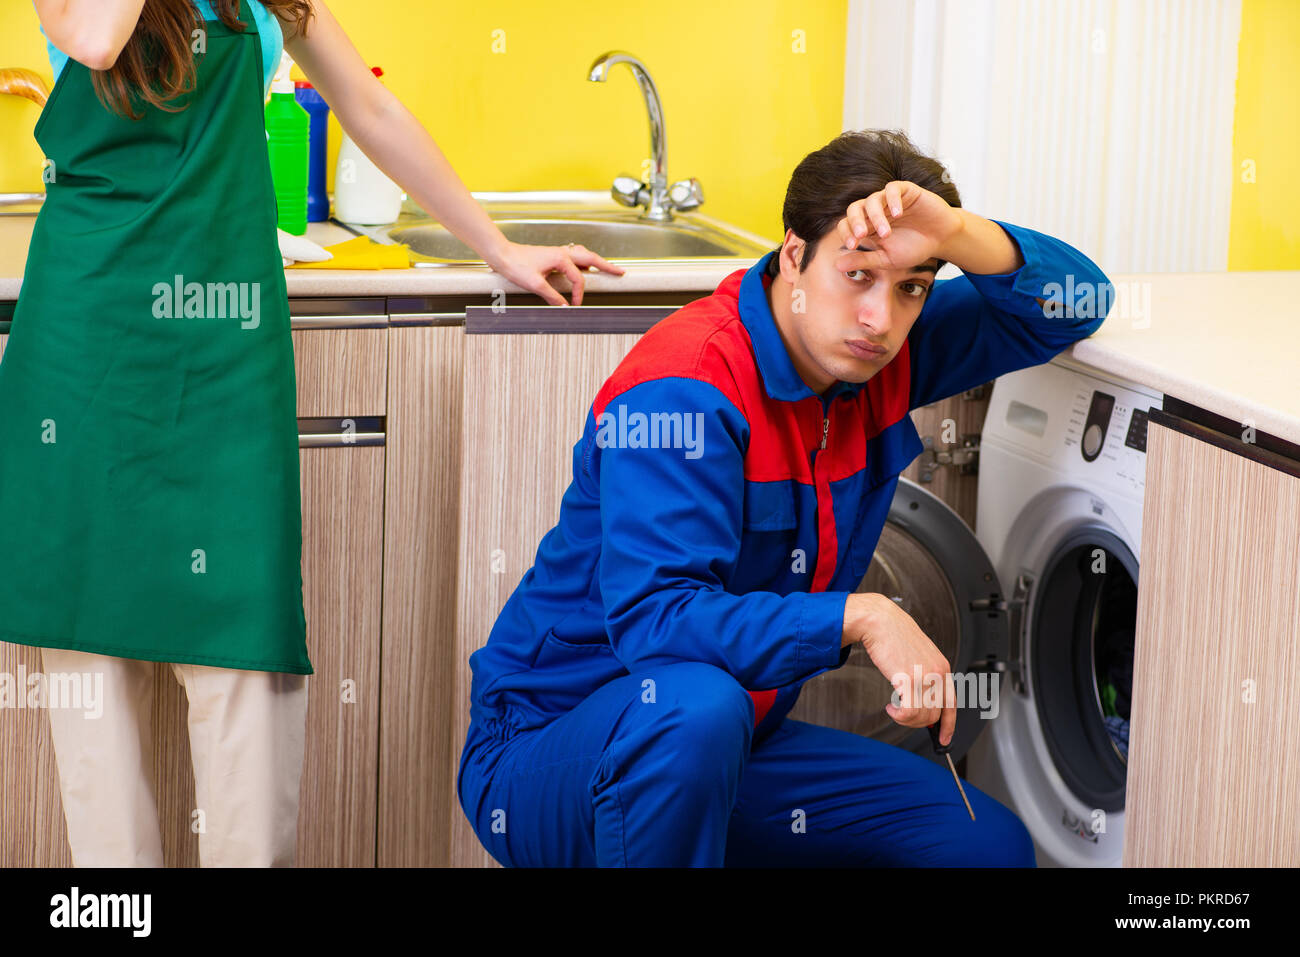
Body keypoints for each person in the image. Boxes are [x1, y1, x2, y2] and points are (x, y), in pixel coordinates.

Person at [0, 0, 622, 868]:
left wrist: (497, 247)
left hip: (222, 362)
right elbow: (100, 39)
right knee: (93, 693)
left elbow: (369, 107)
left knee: (247, 666)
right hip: (86, 350)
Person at [457, 128, 1114, 867]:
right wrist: (863, 614)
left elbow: (1078, 302)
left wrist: (956, 232)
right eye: (857, 274)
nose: (881, 318)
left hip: (732, 746)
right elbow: (656, 622)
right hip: (557, 746)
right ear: (794, 254)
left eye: (912, 287)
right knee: (696, 709)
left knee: (980, 847)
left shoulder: (878, 353)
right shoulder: (686, 387)